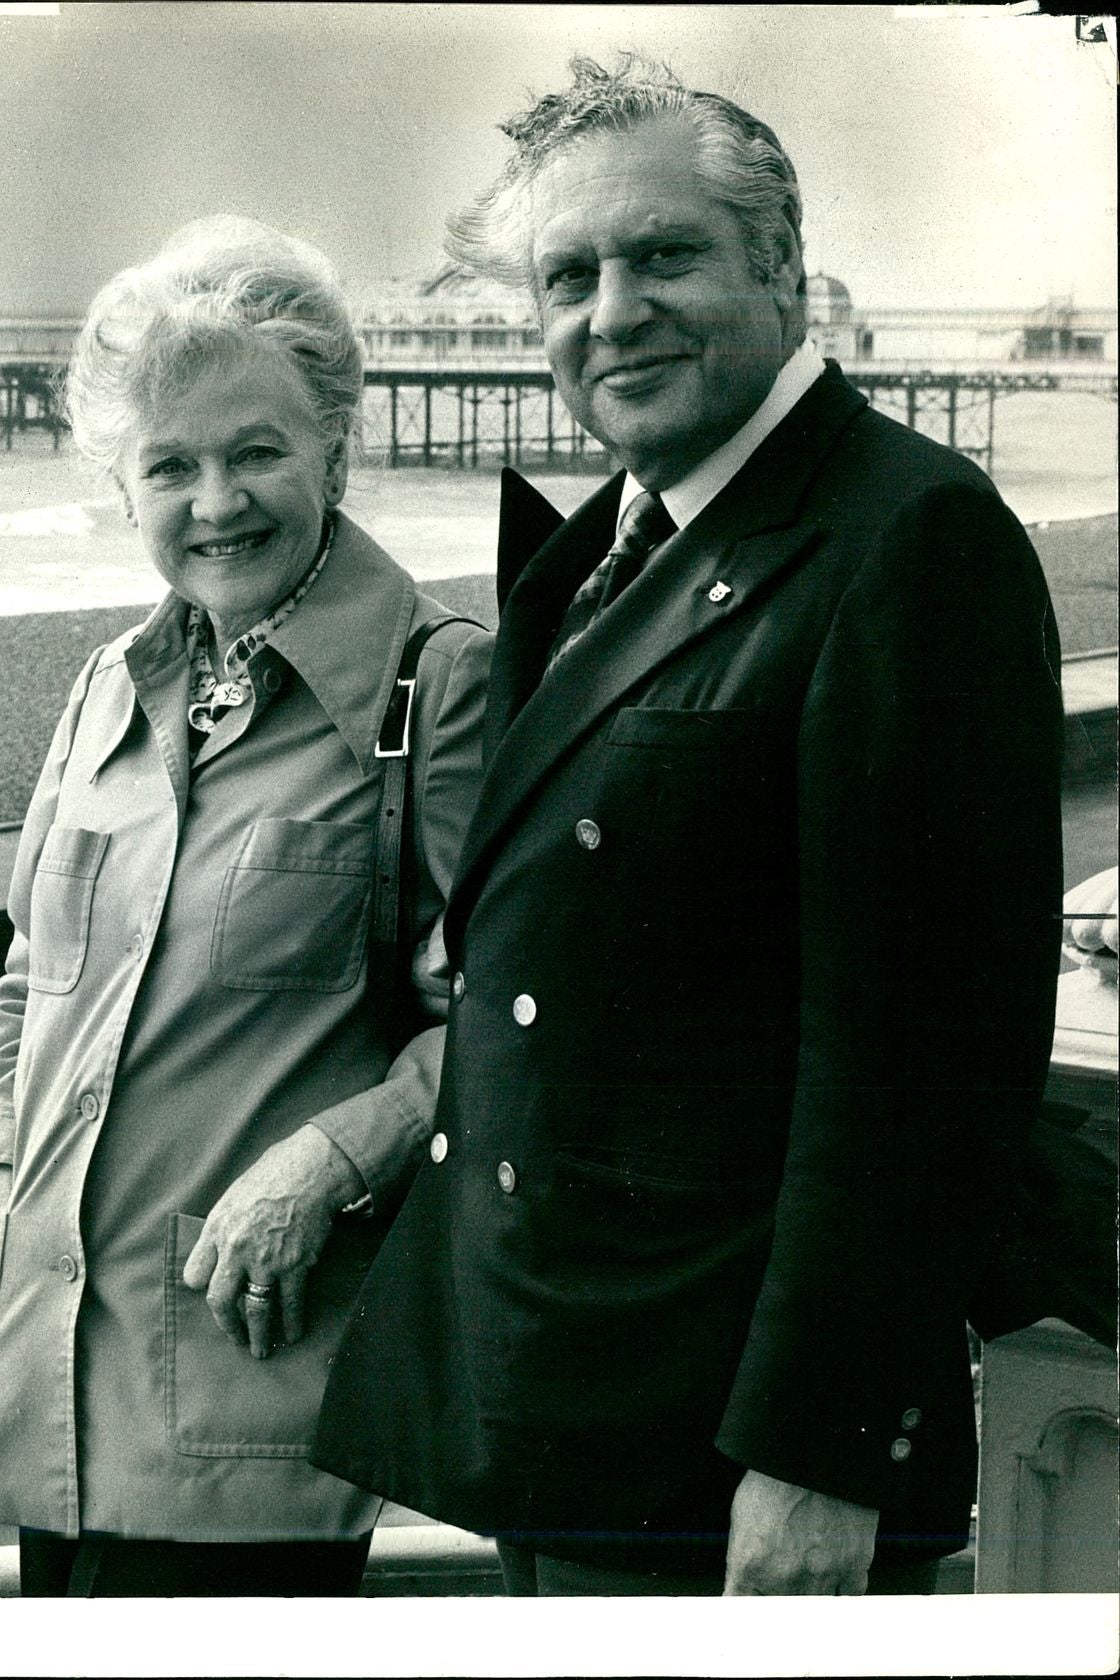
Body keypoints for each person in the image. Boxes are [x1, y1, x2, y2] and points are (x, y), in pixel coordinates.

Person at [312, 55, 1064, 1597]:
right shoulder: (601, 548)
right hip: (560, 1389)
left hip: (722, 1448)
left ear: (783, 266)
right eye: (568, 277)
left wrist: (821, 1451)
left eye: (665, 256)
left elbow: (929, 1059)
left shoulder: (908, 537)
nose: (613, 313)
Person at [0, 216, 492, 1596]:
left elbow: (520, 1022)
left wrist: (330, 1161)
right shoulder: (105, 691)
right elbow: (21, 989)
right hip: (44, 1376)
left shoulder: (443, 691)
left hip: (243, 1399)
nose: (216, 503)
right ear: (121, 483)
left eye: (257, 453)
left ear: (337, 451)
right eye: (170, 467)